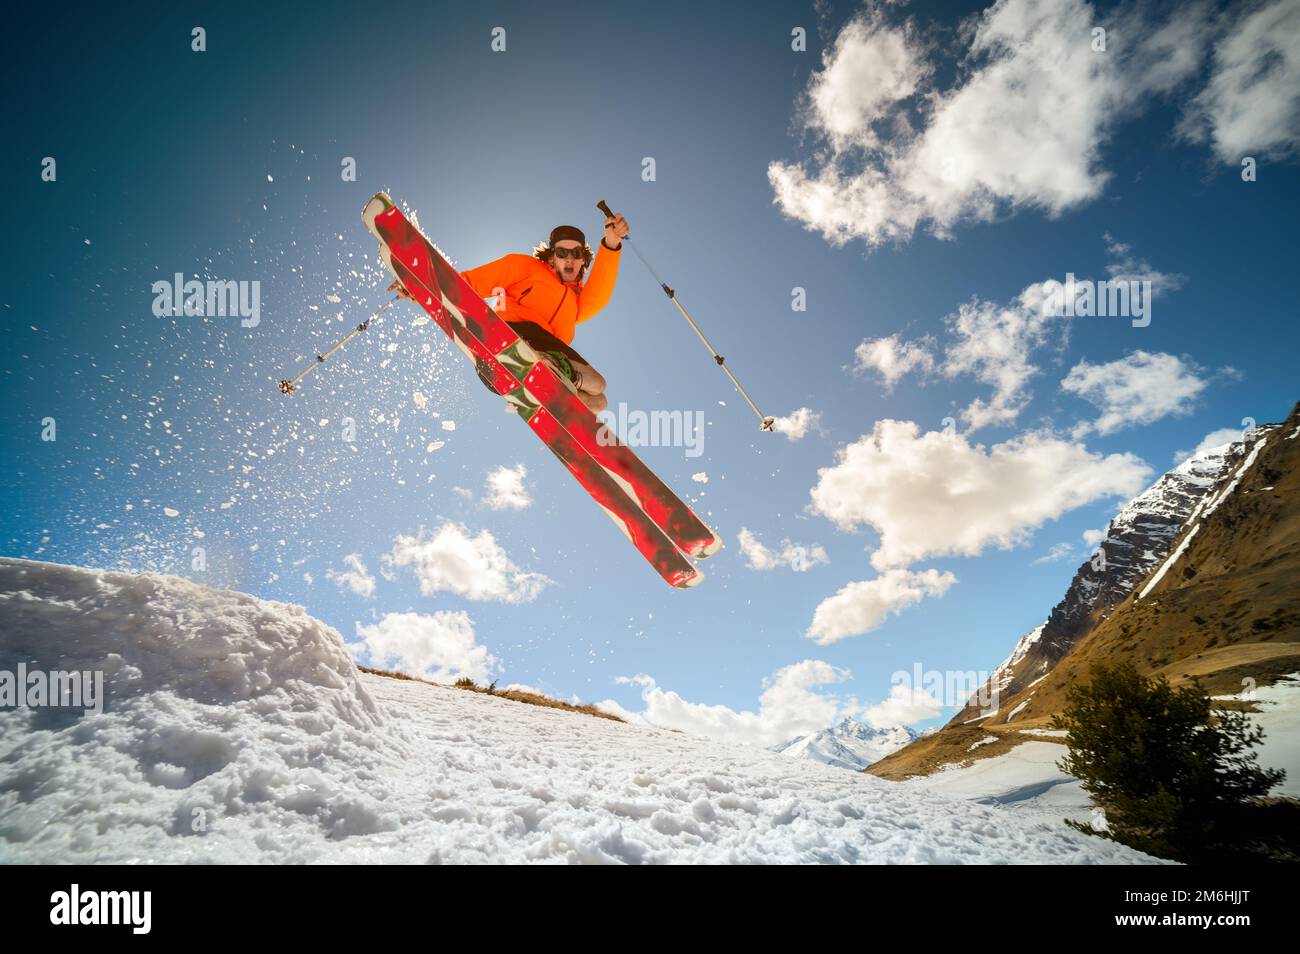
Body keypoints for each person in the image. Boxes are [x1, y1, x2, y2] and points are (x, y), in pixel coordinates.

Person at [393, 214, 629, 413]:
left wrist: (611, 243)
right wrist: (420, 284)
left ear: (583, 261)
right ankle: (533, 362)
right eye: (562, 253)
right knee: (591, 384)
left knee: (599, 394)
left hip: (546, 351)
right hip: (511, 333)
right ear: (551, 256)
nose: (569, 259)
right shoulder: (527, 267)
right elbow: (472, 283)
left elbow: (599, 292)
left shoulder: (575, 302)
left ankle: (551, 391)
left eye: (576, 253)